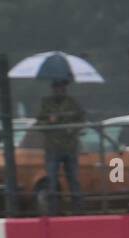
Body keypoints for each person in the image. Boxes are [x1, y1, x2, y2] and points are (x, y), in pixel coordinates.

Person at [36, 78, 85, 215]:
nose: (59, 90)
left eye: (61, 88)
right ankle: (53, 211)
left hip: (70, 147)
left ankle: (78, 210)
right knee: (51, 180)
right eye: (56, 88)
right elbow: (39, 124)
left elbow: (82, 121)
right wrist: (51, 122)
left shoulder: (73, 103)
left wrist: (72, 129)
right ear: (53, 89)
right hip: (52, 147)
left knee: (73, 179)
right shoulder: (46, 104)